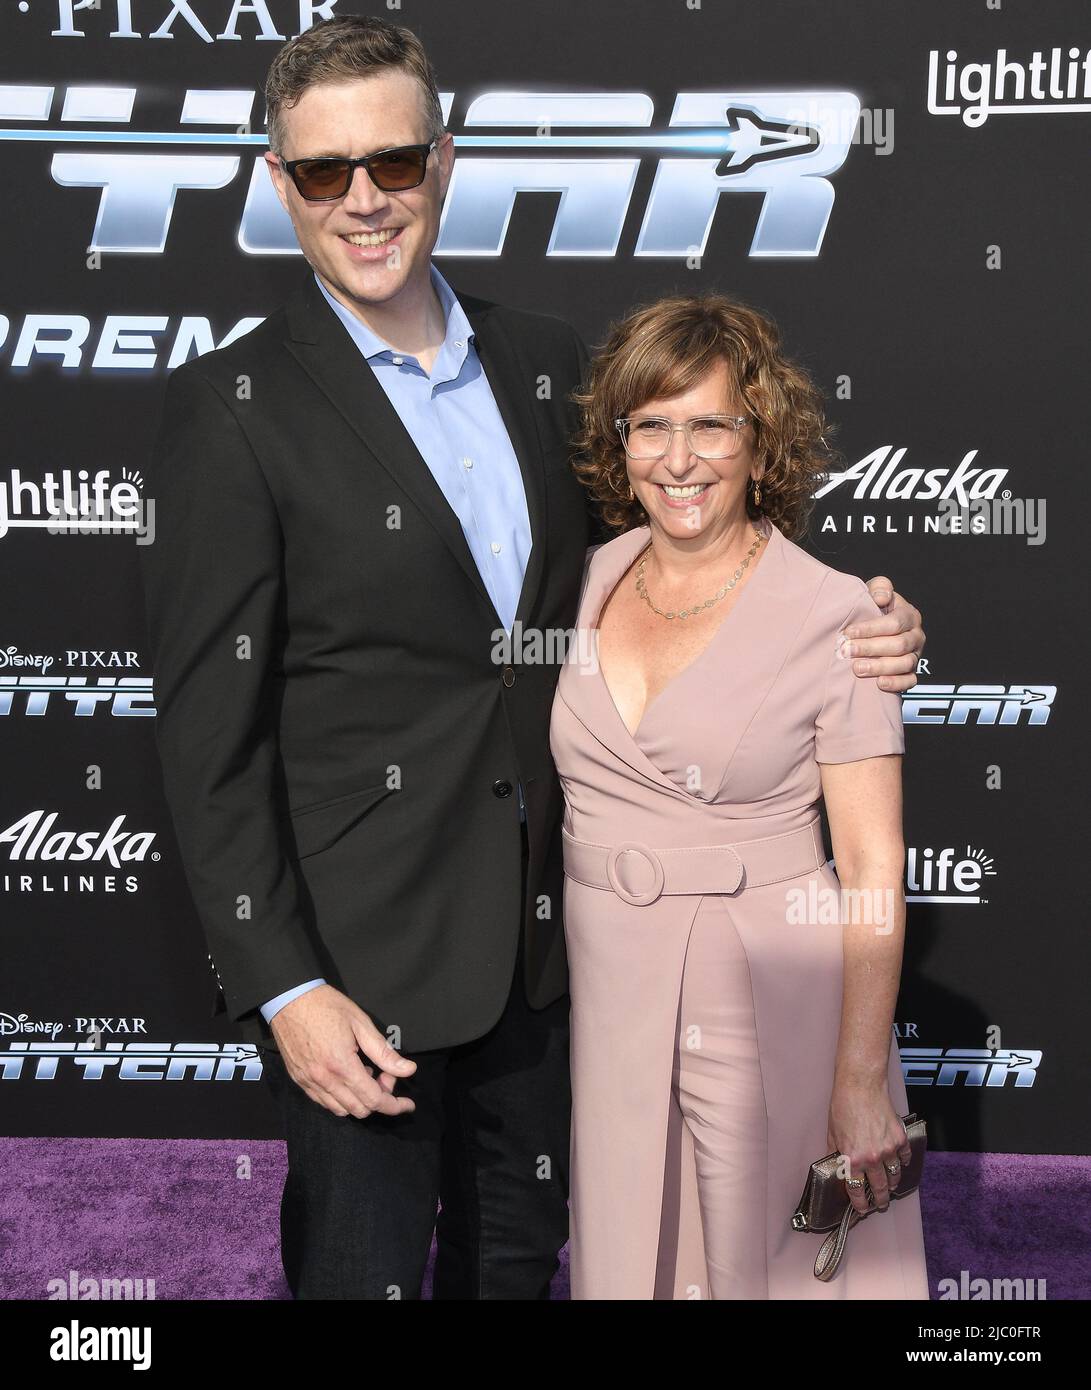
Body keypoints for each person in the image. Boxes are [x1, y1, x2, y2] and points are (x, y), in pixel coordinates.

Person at [139, 15, 927, 1300]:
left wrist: (865, 622)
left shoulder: (549, 364)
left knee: (519, 1271)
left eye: (392, 162)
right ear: (278, 185)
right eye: (324, 173)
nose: (364, 201)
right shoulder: (232, 412)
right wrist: (285, 987)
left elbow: (684, 562)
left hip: (559, 964)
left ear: (442, 161)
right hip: (360, 978)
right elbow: (205, 737)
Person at [551, 293, 930, 1299]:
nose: (678, 458)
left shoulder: (837, 616)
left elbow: (871, 870)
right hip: (612, 996)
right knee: (632, 1258)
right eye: (651, 426)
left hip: (770, 1000)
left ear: (758, 444)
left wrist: (855, 1083)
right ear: (618, 444)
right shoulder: (583, 579)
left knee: (774, 1271)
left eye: (709, 424)